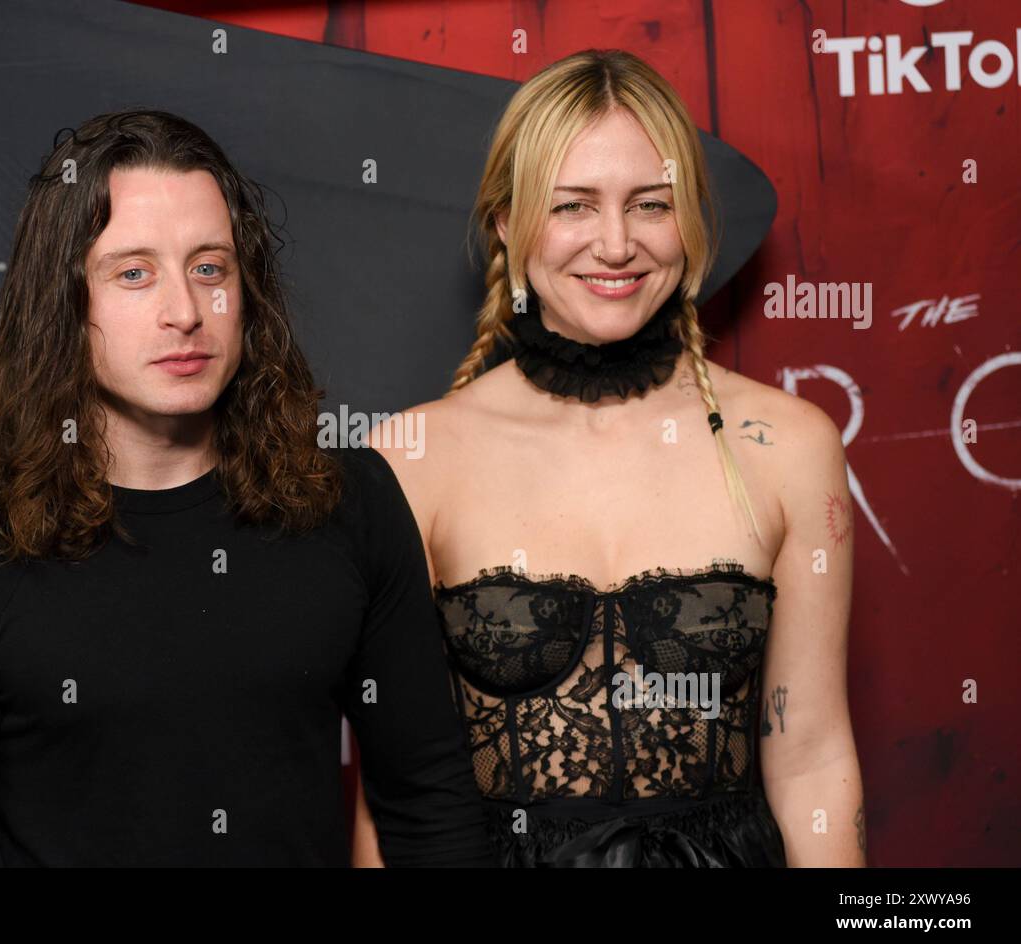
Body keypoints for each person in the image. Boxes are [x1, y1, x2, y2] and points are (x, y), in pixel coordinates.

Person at [0, 108, 495, 867]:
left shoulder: (347, 503)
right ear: (63, 304)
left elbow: (431, 804)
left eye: (209, 268)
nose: (186, 312)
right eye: (134, 273)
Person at [353, 50, 864, 867]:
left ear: (689, 221)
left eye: (649, 204)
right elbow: (396, 795)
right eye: (573, 206)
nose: (616, 243)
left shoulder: (790, 446)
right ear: (506, 226)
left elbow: (812, 761)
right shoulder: (411, 459)